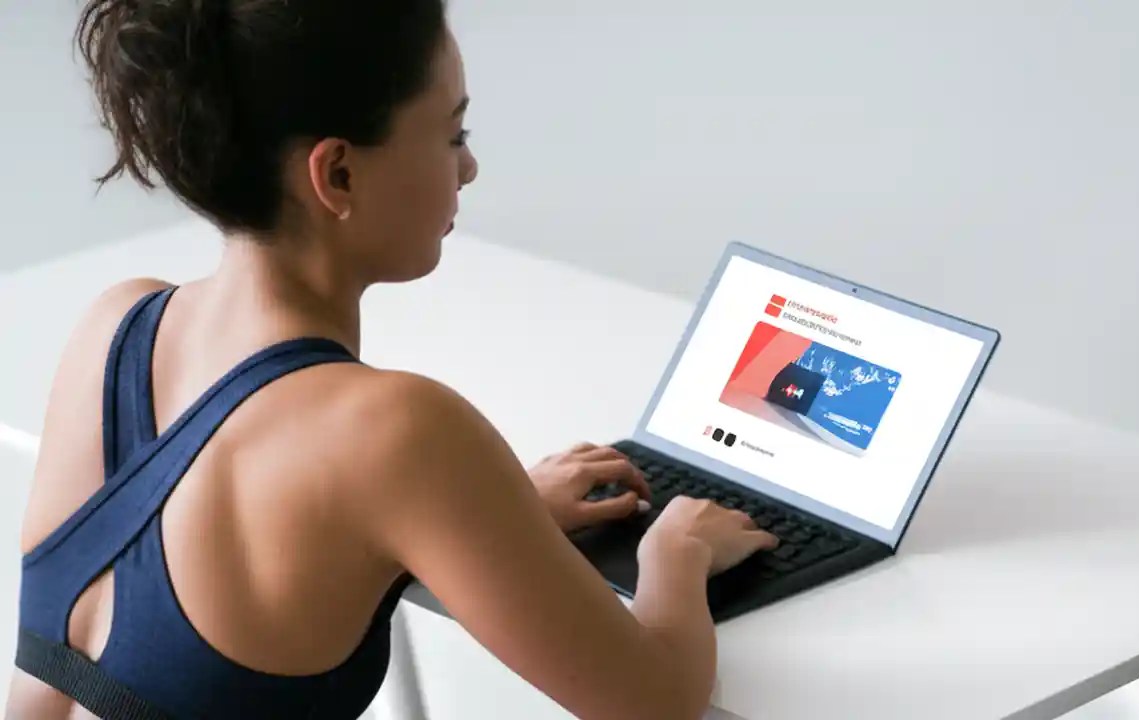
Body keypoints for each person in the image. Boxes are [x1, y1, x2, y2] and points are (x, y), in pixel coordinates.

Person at [7, 1, 779, 718]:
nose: (468, 171)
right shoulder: (398, 433)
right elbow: (654, 701)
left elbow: (147, 645)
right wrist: (676, 552)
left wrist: (489, 518)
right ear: (338, 174)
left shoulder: (114, 326)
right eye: (454, 136)